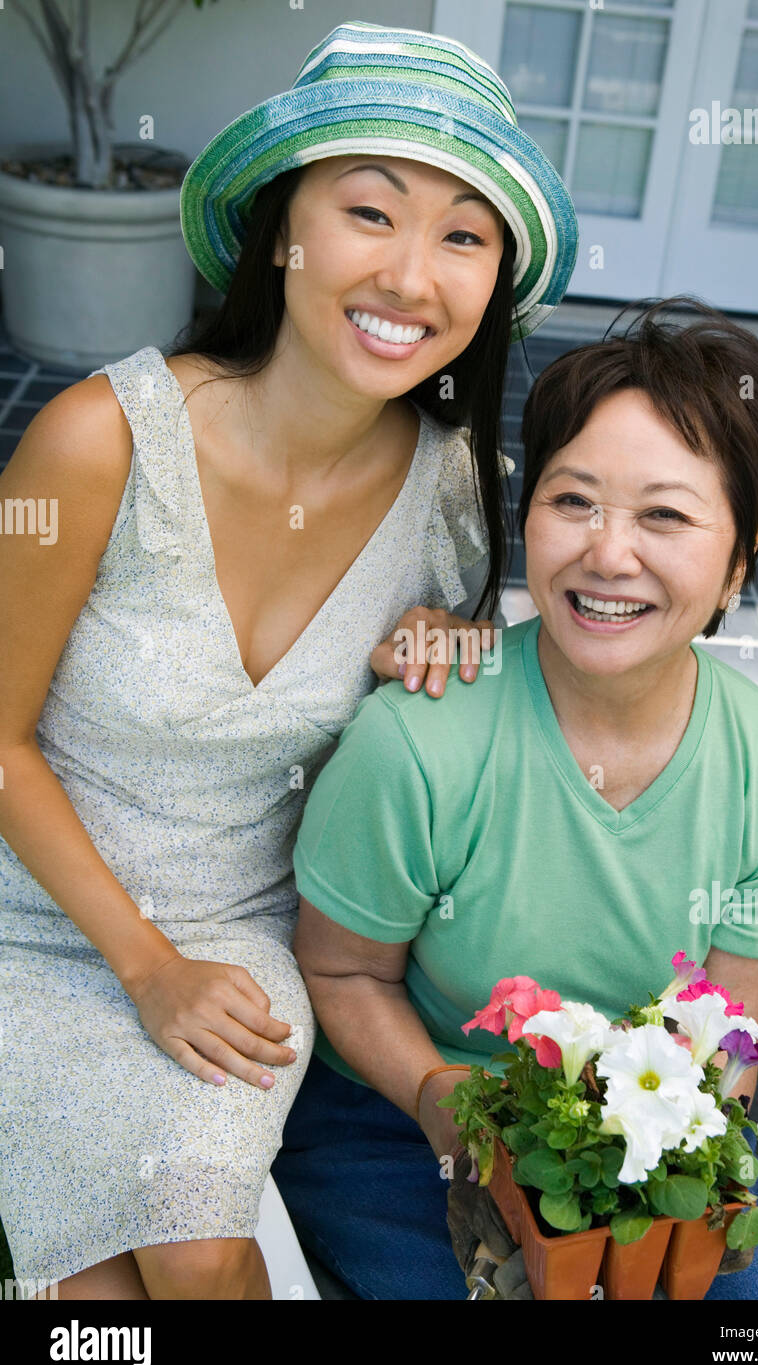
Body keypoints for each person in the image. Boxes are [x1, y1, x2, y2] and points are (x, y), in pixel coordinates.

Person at [0, 20, 577, 1300]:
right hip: (33, 927)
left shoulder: (452, 493)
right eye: (371, 212)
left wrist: (450, 644)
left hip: (243, 930)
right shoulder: (98, 439)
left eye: (464, 236)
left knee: (202, 1257)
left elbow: (439, 706)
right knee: (90, 1307)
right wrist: (145, 969)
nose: (412, 277)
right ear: (281, 231)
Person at [274, 297, 758, 1300]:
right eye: (573, 500)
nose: (608, 552)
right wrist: (436, 1093)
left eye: (666, 515)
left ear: (741, 556)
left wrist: (668, 1161)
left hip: (647, 1121)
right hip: (404, 1110)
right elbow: (340, 973)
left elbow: (725, 1036)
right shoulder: (418, 743)